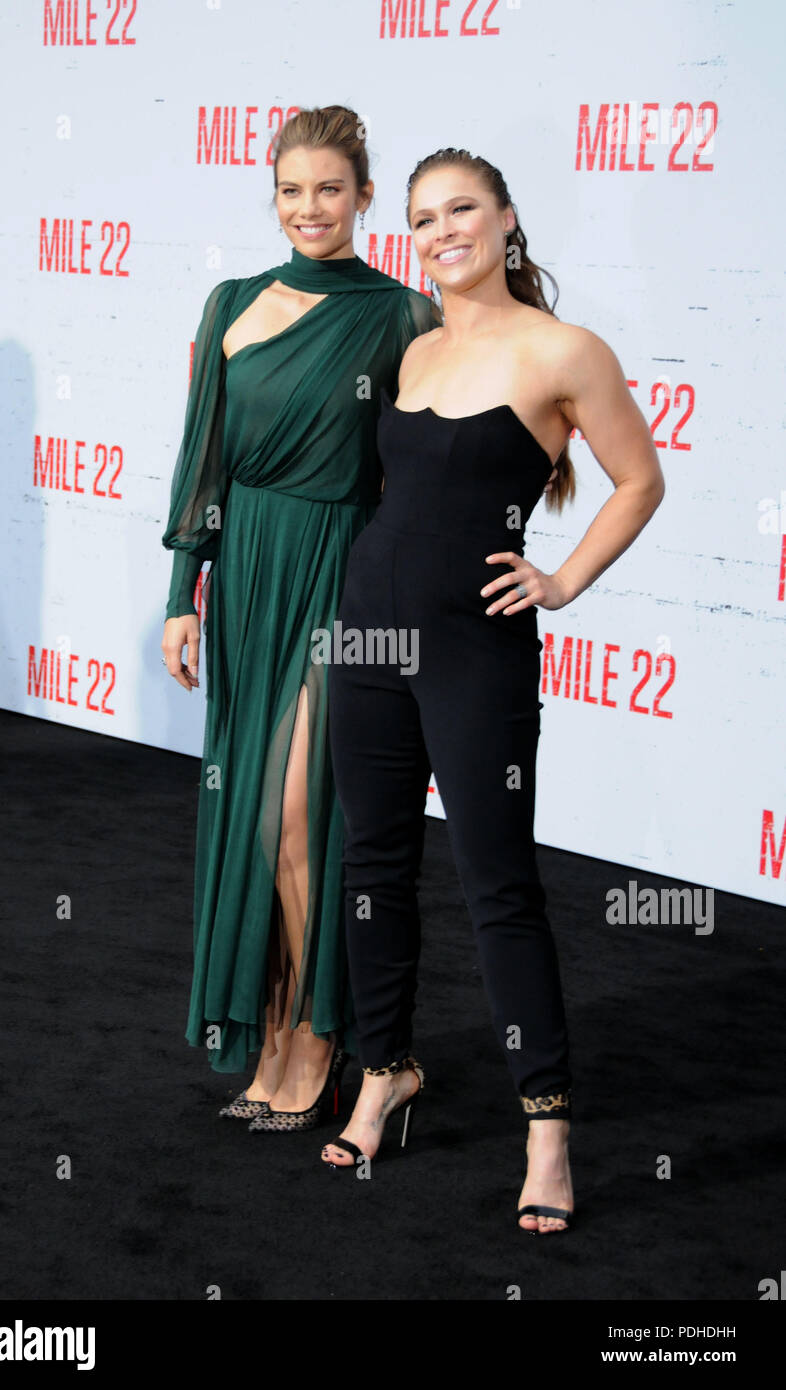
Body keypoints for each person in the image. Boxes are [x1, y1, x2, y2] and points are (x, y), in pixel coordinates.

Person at [320, 147, 665, 1231]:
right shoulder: (413, 354)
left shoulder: (563, 349)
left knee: (494, 883)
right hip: (366, 634)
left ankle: (547, 1126)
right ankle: (384, 1071)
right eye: (421, 218)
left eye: (459, 209)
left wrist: (560, 579)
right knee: (370, 861)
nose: (438, 231)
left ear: (506, 220)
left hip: (475, 652)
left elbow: (639, 478)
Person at [160, 106, 439, 1131]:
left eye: (329, 188)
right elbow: (203, 460)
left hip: (345, 576)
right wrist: (182, 593)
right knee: (253, 818)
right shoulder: (230, 300)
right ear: (270, 194)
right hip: (247, 578)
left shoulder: (403, 314)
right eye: (290, 189)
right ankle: (272, 1027)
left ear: (365, 196)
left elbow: (435, 457)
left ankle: (326, 1032)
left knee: (296, 815)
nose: (308, 207)